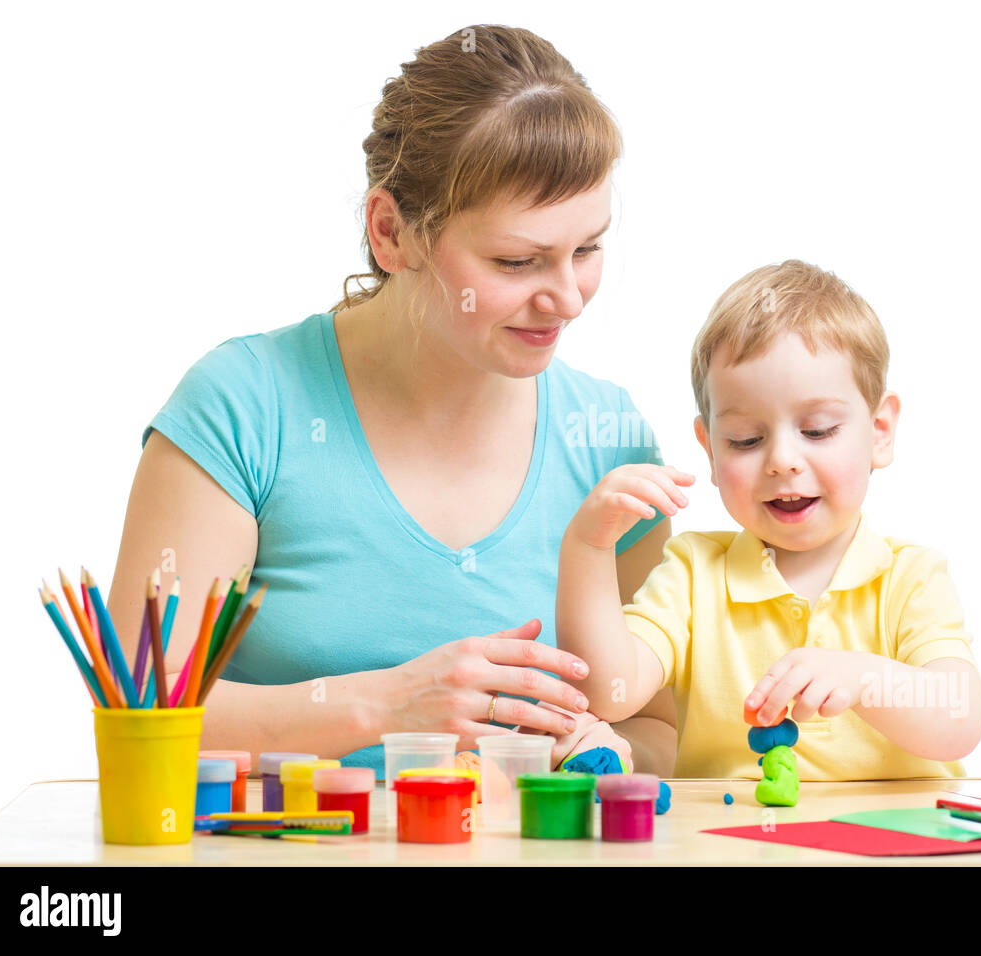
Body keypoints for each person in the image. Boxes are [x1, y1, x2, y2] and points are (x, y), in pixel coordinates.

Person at [105, 25, 678, 776]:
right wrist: (385, 705)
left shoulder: (609, 443)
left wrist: (607, 752)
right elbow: (134, 713)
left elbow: (661, 729)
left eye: (588, 248)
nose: (567, 298)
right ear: (391, 232)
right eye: (517, 260)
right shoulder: (244, 407)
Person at [556, 259, 981, 779]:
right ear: (710, 451)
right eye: (746, 439)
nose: (782, 460)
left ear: (879, 431)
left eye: (819, 430)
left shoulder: (911, 576)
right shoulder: (693, 574)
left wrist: (865, 678)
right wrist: (589, 546)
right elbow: (607, 691)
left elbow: (959, 718)